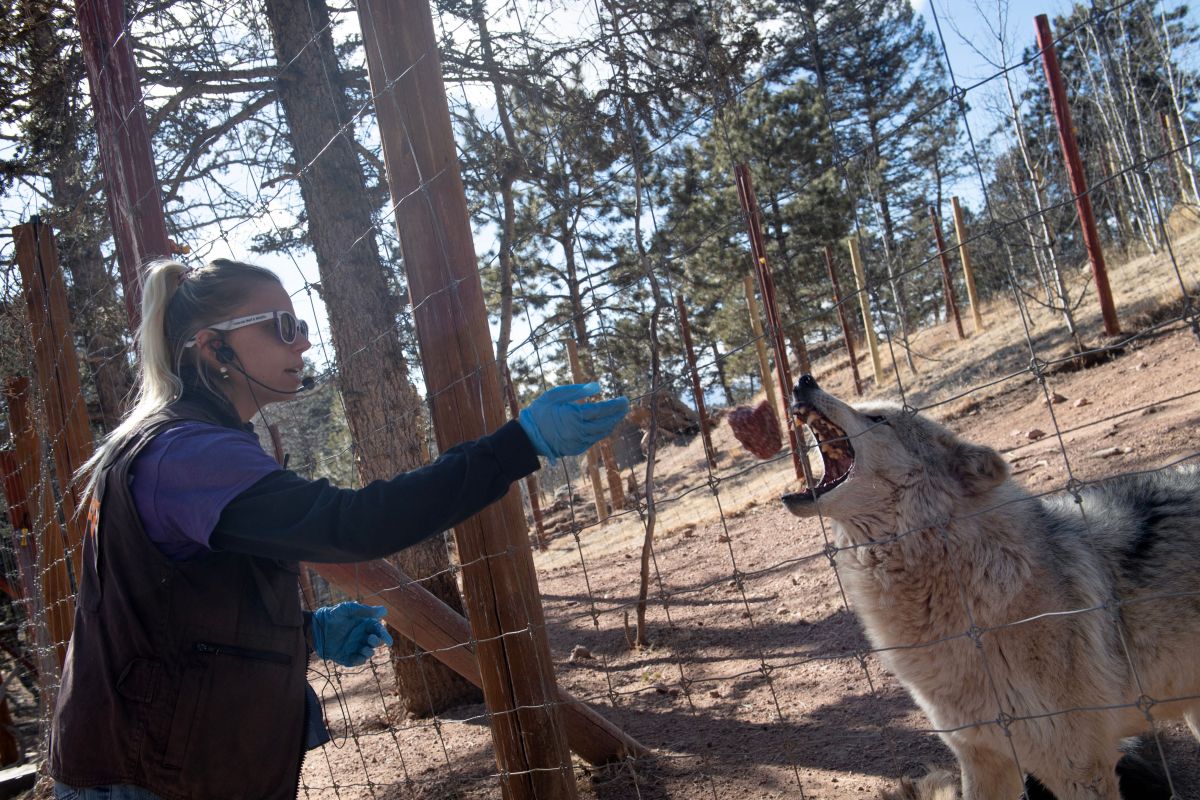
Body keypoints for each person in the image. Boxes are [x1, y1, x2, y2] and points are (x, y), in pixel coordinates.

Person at [49, 257, 628, 800]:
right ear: (213, 347)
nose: (303, 341)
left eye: (300, 325)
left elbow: (169, 609)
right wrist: (516, 445)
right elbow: (352, 526)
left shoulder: (180, 443)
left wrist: (304, 633)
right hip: (143, 775)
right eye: (282, 326)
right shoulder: (186, 453)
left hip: (150, 761)